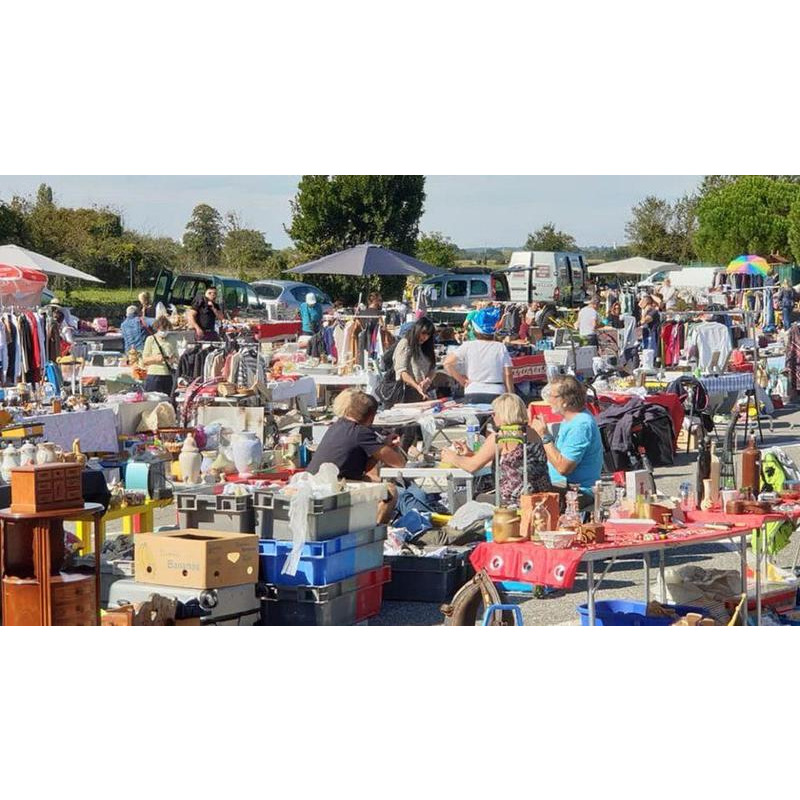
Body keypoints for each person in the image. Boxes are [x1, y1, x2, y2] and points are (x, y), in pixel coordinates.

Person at [307, 390, 405, 524]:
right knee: (390, 491)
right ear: (371, 417)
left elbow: (362, 468)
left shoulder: (336, 426)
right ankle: (375, 529)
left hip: (314, 480)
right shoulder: (361, 432)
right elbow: (399, 463)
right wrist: (390, 447)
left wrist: (381, 447)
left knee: (368, 479)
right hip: (332, 485)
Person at [442, 393, 551, 506]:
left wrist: (451, 457)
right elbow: (512, 462)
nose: (492, 417)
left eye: (494, 413)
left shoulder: (501, 436)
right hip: (540, 496)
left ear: (503, 414)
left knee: (458, 495)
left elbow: (471, 467)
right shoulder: (534, 432)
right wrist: (470, 454)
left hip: (511, 501)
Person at [530, 375, 603, 508]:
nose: (548, 400)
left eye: (552, 396)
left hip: (577, 491)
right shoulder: (571, 419)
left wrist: (544, 436)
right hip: (561, 485)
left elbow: (563, 467)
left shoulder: (580, 425)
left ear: (565, 401)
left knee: (523, 499)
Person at [444, 306, 513, 404]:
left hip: (473, 390)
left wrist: (461, 380)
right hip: (496, 391)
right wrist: (511, 394)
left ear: (475, 329)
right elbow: (508, 374)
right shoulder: (500, 347)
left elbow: (447, 363)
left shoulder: (467, 346)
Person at [393, 317, 436, 403]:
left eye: (428, 335)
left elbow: (433, 369)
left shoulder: (426, 347)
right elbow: (401, 371)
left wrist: (427, 380)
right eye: (423, 333)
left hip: (425, 391)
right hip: (408, 392)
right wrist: (417, 386)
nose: (425, 337)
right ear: (417, 330)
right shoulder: (405, 343)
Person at [141, 317, 177, 395]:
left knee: (168, 400)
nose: (164, 332)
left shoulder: (172, 339)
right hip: (154, 374)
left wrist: (173, 359)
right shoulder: (151, 339)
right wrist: (155, 359)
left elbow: (177, 357)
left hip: (168, 374)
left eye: (166, 329)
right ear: (157, 329)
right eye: (162, 330)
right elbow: (144, 360)